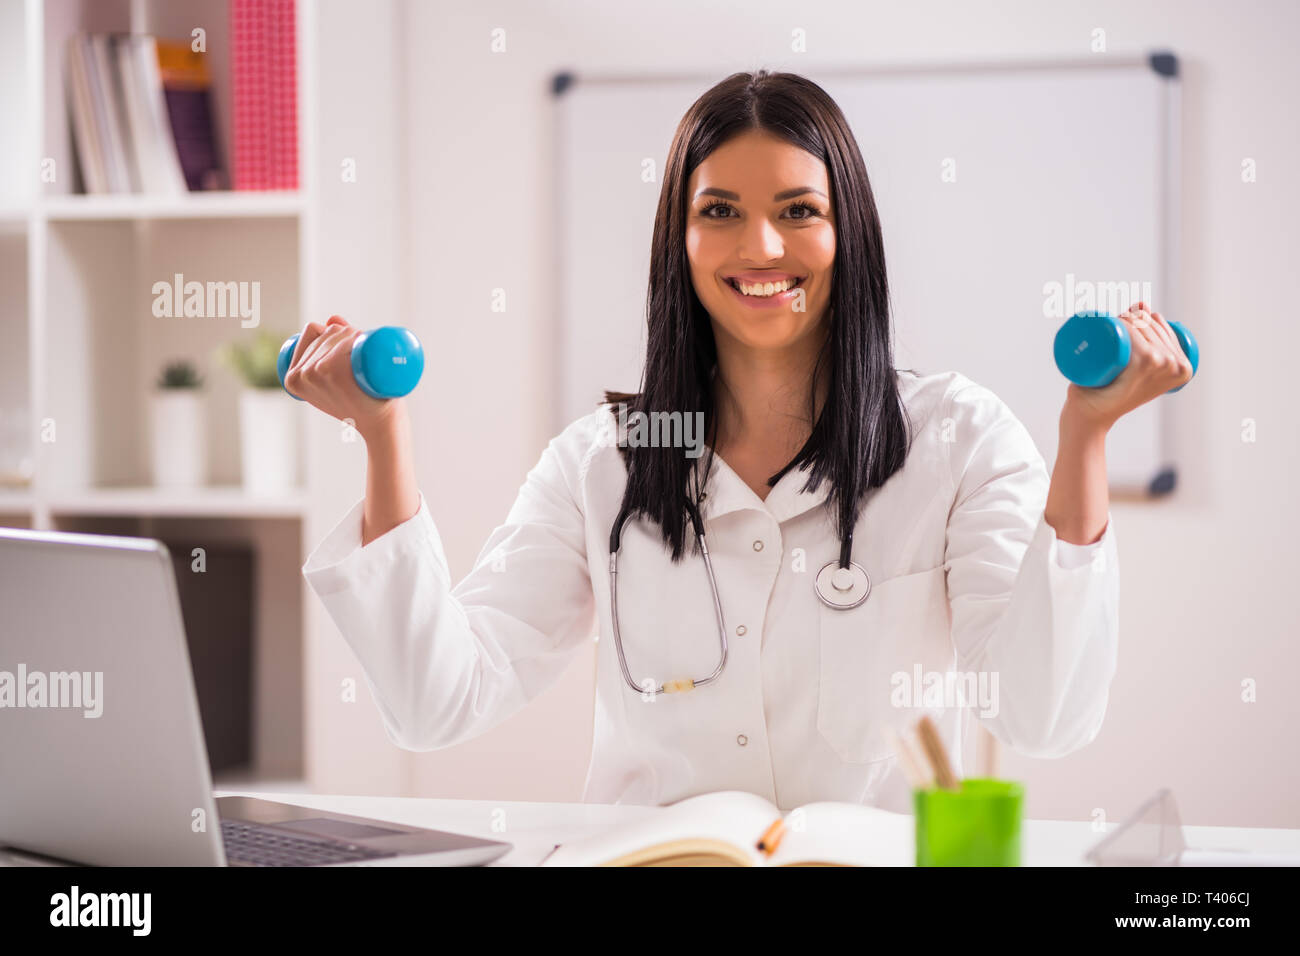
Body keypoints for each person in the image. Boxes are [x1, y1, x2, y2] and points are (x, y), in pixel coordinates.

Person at [288, 70, 1192, 813]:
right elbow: (435, 701)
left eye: (800, 210)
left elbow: (1046, 715)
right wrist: (381, 432)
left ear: (849, 234)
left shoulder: (959, 438)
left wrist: (1087, 432)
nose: (761, 245)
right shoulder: (605, 459)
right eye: (719, 211)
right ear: (678, 240)